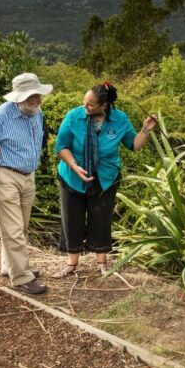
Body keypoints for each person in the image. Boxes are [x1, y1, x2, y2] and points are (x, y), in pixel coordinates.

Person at [52, 81, 157, 277]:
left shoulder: (119, 119)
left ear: (104, 105)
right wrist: (74, 166)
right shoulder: (74, 116)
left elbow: (133, 145)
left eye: (90, 104)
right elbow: (61, 146)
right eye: (85, 102)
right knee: (72, 218)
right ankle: (72, 264)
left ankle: (101, 262)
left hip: (105, 177)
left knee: (101, 218)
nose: (85, 106)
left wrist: (145, 130)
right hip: (73, 175)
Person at [0, 73, 53, 295]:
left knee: (20, 226)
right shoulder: (0, 117)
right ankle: (22, 276)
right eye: (31, 96)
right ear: (18, 97)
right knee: (12, 229)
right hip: (5, 174)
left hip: (28, 175)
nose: (37, 99)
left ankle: (9, 266)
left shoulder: (36, 112)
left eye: (38, 94)